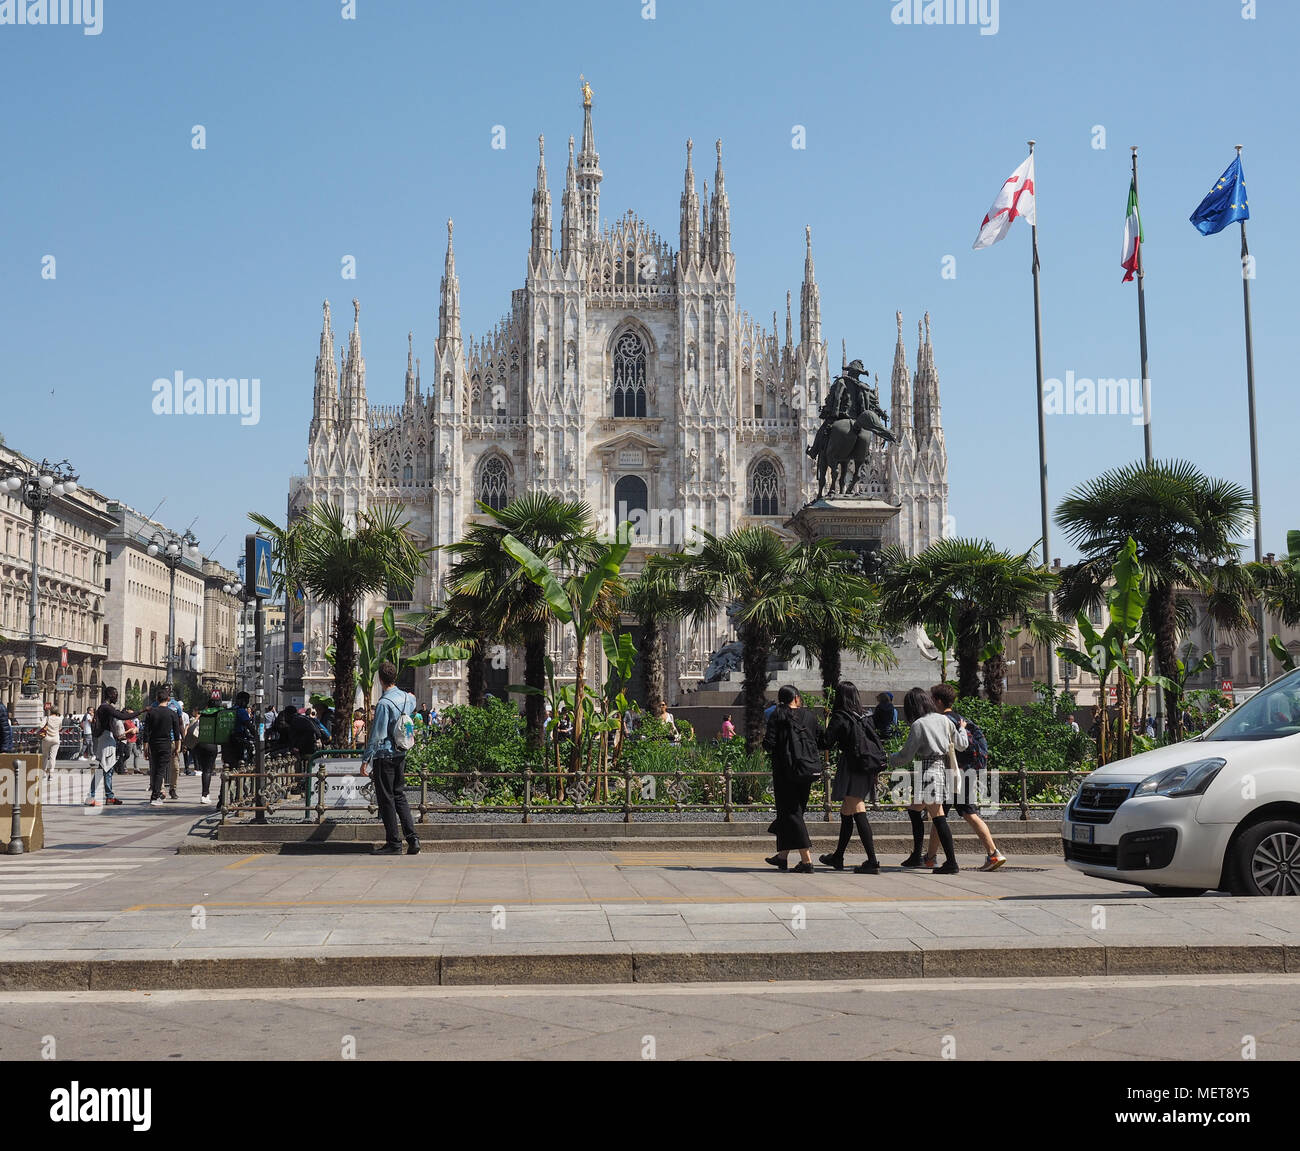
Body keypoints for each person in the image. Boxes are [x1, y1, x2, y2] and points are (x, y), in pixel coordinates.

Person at [891, 686, 967, 874]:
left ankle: (951, 862)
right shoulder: (945, 720)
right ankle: (917, 855)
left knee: (938, 816)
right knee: (914, 809)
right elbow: (961, 745)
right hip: (944, 771)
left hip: (929, 772)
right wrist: (962, 729)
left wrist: (886, 759)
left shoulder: (919, 724)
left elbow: (906, 755)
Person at [929, 684, 1006, 872]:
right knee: (940, 814)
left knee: (966, 813)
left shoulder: (943, 721)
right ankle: (930, 857)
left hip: (954, 774)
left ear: (938, 701)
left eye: (932, 699)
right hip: (966, 771)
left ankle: (994, 853)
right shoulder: (960, 719)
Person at [817, 681, 883, 874]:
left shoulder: (840, 717)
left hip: (852, 764)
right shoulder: (865, 716)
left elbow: (826, 743)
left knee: (857, 808)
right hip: (867, 765)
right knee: (846, 811)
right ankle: (838, 855)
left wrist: (821, 725)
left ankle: (872, 860)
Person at [761, 685, 822, 873]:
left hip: (785, 773)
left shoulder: (777, 716)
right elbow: (822, 740)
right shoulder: (810, 717)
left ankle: (806, 861)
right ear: (796, 698)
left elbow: (768, 744)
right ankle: (782, 857)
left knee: (792, 814)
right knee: (793, 813)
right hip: (806, 770)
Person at [360, 661, 419, 856]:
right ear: (395, 677)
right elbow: (413, 700)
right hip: (401, 752)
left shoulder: (384, 704)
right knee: (399, 795)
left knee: (386, 800)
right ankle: (413, 839)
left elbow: (377, 735)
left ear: (380, 679)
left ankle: (394, 843)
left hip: (385, 755)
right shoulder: (407, 698)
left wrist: (366, 759)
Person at [87, 687, 134, 806]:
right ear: (110, 695)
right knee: (105, 769)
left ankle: (107, 796)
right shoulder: (106, 707)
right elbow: (122, 717)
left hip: (107, 739)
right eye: (115, 694)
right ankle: (94, 797)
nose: (116, 697)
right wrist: (143, 710)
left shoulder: (104, 707)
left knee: (106, 769)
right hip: (107, 740)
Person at [141, 685, 184, 806]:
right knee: (160, 771)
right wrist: (178, 746)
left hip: (154, 744)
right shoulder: (172, 713)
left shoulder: (151, 713)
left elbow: (146, 732)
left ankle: (156, 794)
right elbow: (176, 733)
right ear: (167, 699)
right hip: (166, 744)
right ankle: (155, 796)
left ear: (157, 699)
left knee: (155, 769)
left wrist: (145, 748)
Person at [39, 704, 62, 776]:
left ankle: (44, 772)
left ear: (50, 711)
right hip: (55, 739)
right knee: (53, 757)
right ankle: (51, 773)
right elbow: (59, 728)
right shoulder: (59, 719)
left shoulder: (47, 718)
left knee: (45, 756)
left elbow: (40, 726)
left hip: (46, 739)